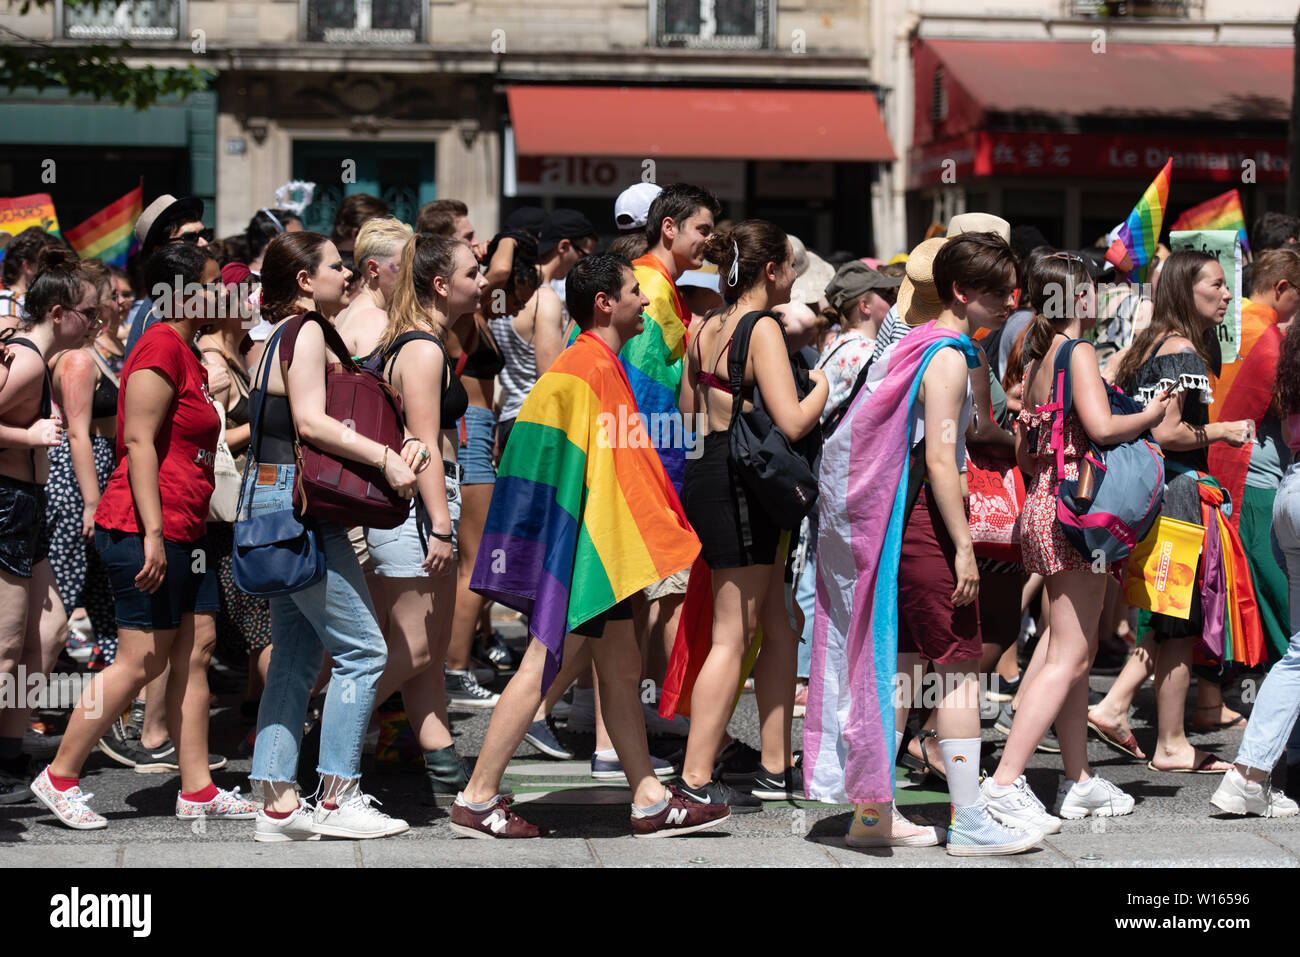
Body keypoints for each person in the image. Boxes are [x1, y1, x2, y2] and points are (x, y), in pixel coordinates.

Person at [454, 254, 728, 839]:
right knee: (540, 662)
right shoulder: (591, 367)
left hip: (591, 547)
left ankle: (650, 799)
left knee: (621, 669)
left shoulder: (591, 362)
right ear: (606, 302)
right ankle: (477, 798)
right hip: (589, 552)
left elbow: (553, 457)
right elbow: (601, 470)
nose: (646, 301)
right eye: (635, 292)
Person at [808, 232, 1041, 855]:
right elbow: (944, 459)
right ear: (963, 293)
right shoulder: (945, 355)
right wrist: (965, 548)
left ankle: (871, 819)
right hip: (925, 526)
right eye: (997, 294)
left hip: (891, 530)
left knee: (902, 670)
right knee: (960, 670)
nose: (1007, 303)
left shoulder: (909, 340)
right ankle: (969, 819)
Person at [30, 243, 255, 827]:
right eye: (211, 283)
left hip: (190, 527)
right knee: (138, 662)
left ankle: (198, 789)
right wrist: (154, 534)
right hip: (143, 528)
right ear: (179, 293)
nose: (222, 294)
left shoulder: (185, 347)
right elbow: (137, 443)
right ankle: (59, 776)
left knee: (195, 653)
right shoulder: (158, 346)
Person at [241, 230, 426, 841]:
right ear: (303, 280)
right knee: (365, 652)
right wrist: (388, 457)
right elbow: (312, 422)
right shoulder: (311, 331)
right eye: (334, 266)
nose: (345, 274)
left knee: (294, 658)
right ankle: (337, 795)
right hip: (305, 516)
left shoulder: (272, 340)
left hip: (270, 512)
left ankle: (276, 802)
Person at [979, 253, 1171, 833]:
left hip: (1045, 505)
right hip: (1076, 514)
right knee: (1067, 656)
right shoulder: (1076, 351)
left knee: (1076, 652)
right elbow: (1103, 426)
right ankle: (1004, 782)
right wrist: (1153, 412)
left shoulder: (1039, 354)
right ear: (1077, 298)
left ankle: (1078, 779)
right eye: (1095, 290)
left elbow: (1024, 446)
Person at [672, 220, 827, 813]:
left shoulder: (705, 326)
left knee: (780, 623)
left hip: (712, 469)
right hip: (744, 482)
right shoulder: (760, 327)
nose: (794, 276)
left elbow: (690, 411)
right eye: (791, 266)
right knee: (732, 636)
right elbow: (792, 421)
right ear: (771, 271)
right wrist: (826, 383)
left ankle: (772, 763)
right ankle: (694, 776)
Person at [1088, 251, 1254, 773]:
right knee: (1178, 618)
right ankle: (1172, 743)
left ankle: (1116, 707)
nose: (1228, 295)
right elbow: (1167, 431)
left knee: (1166, 614)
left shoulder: (1150, 343)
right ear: (1188, 289)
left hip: (1152, 492)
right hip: (1177, 493)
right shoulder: (1181, 351)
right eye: (1218, 285)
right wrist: (1224, 431)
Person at [342, 232, 482, 804]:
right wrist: (443, 527)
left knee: (424, 655)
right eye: (473, 272)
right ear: (442, 285)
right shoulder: (422, 348)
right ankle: (323, 733)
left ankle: (446, 771)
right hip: (417, 512)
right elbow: (422, 445)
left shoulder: (421, 339)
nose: (485, 280)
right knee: (417, 651)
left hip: (417, 506)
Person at [0, 248, 88, 802]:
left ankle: (9, 748)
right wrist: (29, 438)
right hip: (7, 503)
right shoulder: (29, 358)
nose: (98, 323)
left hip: (27, 505)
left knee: (50, 632)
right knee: (6, 647)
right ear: (58, 313)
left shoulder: (37, 356)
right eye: (89, 314)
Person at [1209, 318, 1300, 817]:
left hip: (1290, 491)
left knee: (1297, 652)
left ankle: (1247, 777)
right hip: (1286, 490)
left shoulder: (1284, 350)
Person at [1207, 248, 1300, 666]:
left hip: (1204, 472)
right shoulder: (1270, 338)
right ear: (1282, 288)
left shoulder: (1220, 322)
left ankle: (1210, 700)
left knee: (1222, 587)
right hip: (1253, 480)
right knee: (1275, 591)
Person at [198, 261, 273, 732]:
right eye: (248, 296)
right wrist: (272, 423)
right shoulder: (213, 362)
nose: (256, 304)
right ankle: (281, 730)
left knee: (260, 623)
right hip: (229, 514)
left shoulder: (234, 354)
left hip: (248, 505)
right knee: (264, 627)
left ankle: (256, 708)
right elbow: (215, 440)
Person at [45, 260, 123, 677]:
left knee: (104, 601)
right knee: (58, 609)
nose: (105, 312)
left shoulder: (93, 353)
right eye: (93, 308)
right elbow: (78, 434)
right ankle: (21, 713)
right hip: (78, 484)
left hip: (97, 478)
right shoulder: (76, 360)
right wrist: (92, 503)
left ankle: (112, 706)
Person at [442, 249, 508, 710]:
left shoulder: (473, 316)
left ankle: (454, 662)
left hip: (478, 431)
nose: (482, 279)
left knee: (474, 560)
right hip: (467, 432)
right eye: (471, 270)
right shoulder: (453, 321)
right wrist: (502, 246)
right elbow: (500, 274)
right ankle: (454, 669)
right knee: (476, 561)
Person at [123, 194, 209, 357]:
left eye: (205, 234)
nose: (204, 243)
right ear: (160, 250)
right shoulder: (159, 313)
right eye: (191, 238)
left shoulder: (190, 300)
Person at [816, 260, 900, 421]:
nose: (893, 300)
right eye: (886, 294)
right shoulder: (868, 354)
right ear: (865, 306)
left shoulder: (836, 342)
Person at [0, 228, 65, 324]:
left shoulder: (26, 304)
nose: (57, 271)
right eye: (50, 264)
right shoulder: (7, 306)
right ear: (27, 266)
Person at [330, 193, 390, 272]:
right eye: (378, 233)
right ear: (356, 234)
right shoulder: (367, 270)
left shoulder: (320, 262)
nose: (385, 239)